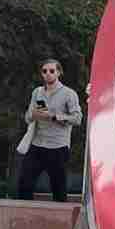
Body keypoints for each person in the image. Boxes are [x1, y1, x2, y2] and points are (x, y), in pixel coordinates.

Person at [18, 59, 83, 202]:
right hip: (37, 144)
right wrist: (32, 115)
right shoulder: (37, 92)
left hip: (58, 147)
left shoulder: (68, 94)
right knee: (24, 183)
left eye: (52, 71)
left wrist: (54, 116)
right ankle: (26, 217)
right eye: (44, 71)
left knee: (58, 188)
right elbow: (28, 117)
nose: (48, 74)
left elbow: (77, 119)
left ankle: (61, 221)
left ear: (59, 72)